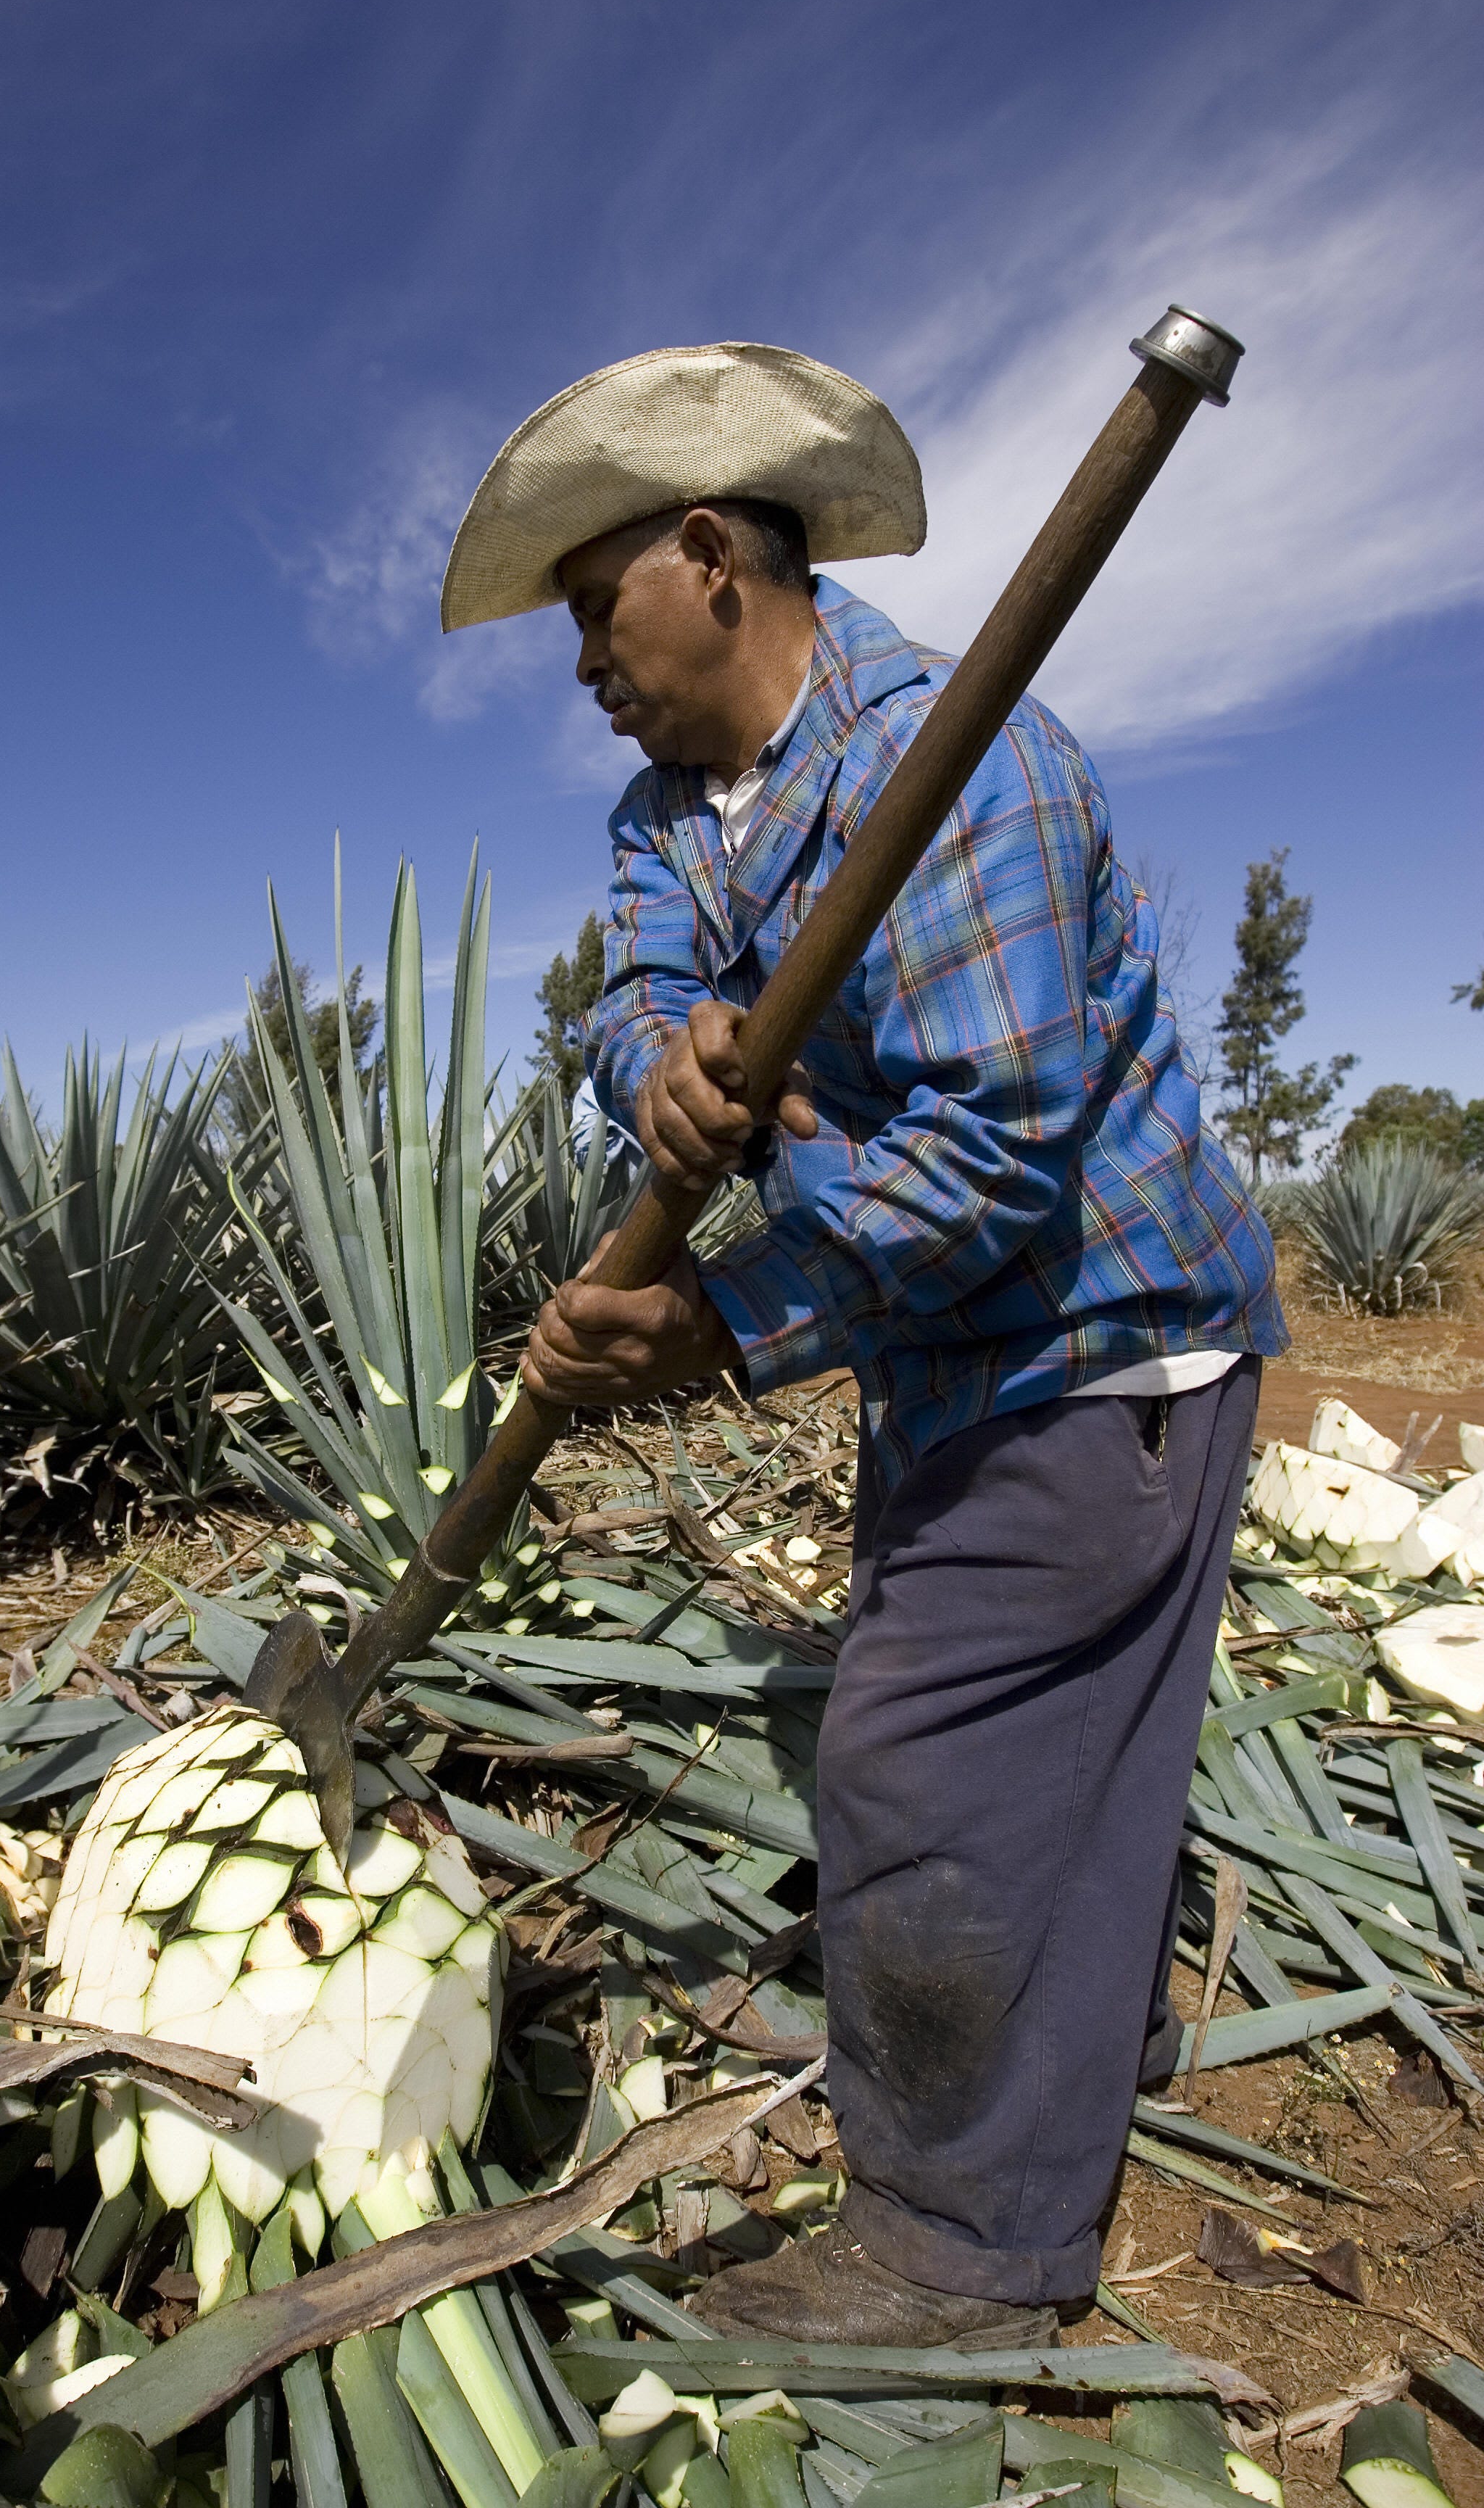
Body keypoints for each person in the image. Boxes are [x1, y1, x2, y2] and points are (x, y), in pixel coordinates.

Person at [441, 343, 1285, 2349]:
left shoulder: (965, 766)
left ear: (711, 552)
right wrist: (661, 1059)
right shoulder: (674, 811)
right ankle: (1062, 2070)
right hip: (944, 1353)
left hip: (1093, 1340)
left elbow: (994, 1155)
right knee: (1031, 1742)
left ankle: (959, 2254)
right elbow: (634, 985)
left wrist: (718, 1325)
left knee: (914, 1760)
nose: (586, 664)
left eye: (597, 608)